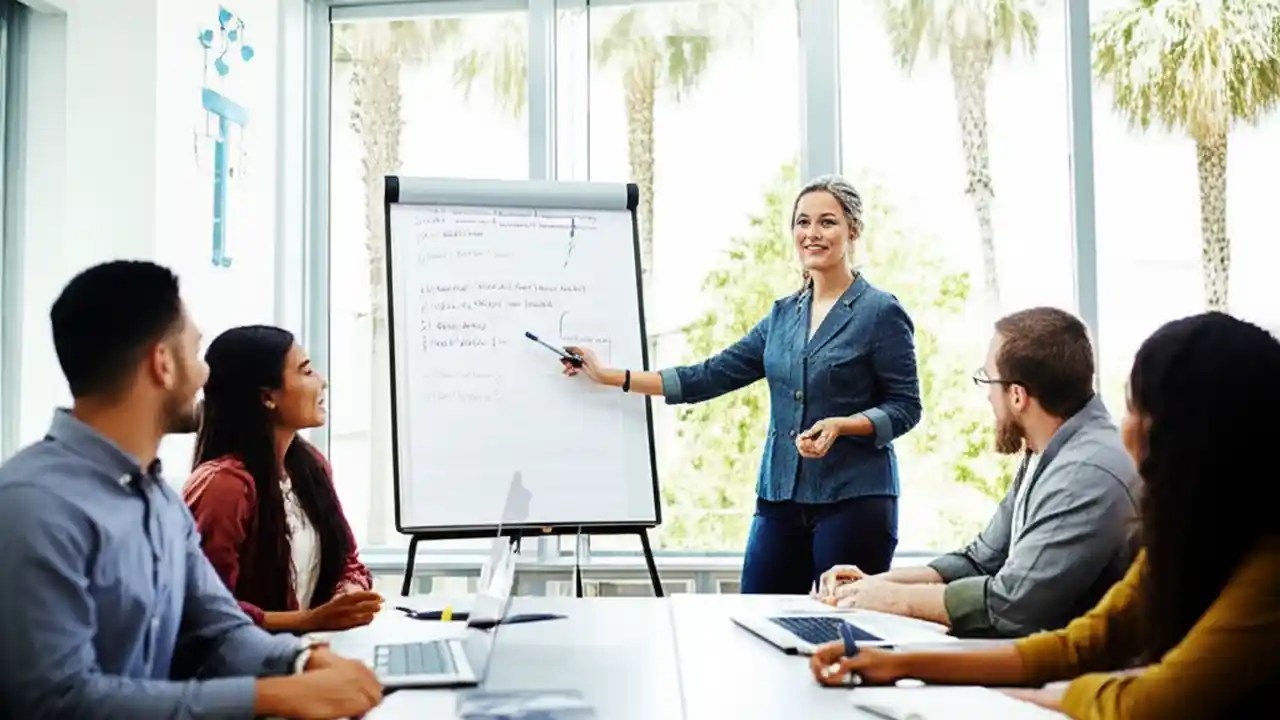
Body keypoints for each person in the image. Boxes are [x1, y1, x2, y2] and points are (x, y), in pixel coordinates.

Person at [810, 312, 1280, 718]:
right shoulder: (1185, 535)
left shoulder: (1269, 570)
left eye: (1139, 407)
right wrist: (899, 663)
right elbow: (1077, 645)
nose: (1126, 427)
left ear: (1195, 435)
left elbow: (1145, 702)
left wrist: (1015, 697)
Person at [0, 261, 381, 718]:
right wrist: (275, 696)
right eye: (197, 353)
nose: (206, 377)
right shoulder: (33, 505)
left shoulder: (159, 501)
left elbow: (217, 630)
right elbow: (57, 700)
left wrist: (305, 660)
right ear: (162, 363)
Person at [562, 175, 922, 593]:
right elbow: (709, 374)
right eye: (802, 223)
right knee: (757, 614)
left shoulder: (880, 312)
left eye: (827, 222)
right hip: (779, 499)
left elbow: (906, 406)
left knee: (843, 629)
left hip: (855, 500)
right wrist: (608, 376)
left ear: (852, 231)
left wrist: (843, 425)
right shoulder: (783, 315)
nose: (812, 233)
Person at [815, 307, 1141, 638]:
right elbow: (980, 560)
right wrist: (871, 585)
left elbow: (1012, 605)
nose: (987, 394)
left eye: (987, 379)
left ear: (1017, 395)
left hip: (1079, 675)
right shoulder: (1050, 451)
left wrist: (895, 600)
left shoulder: (1083, 473)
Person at [184, 325, 383, 633]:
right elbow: (206, 608)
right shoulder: (224, 485)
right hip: (247, 669)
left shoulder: (311, 467)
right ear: (267, 397)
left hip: (305, 652)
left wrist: (349, 595)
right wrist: (309, 620)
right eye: (306, 372)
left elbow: (348, 561)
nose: (322, 381)